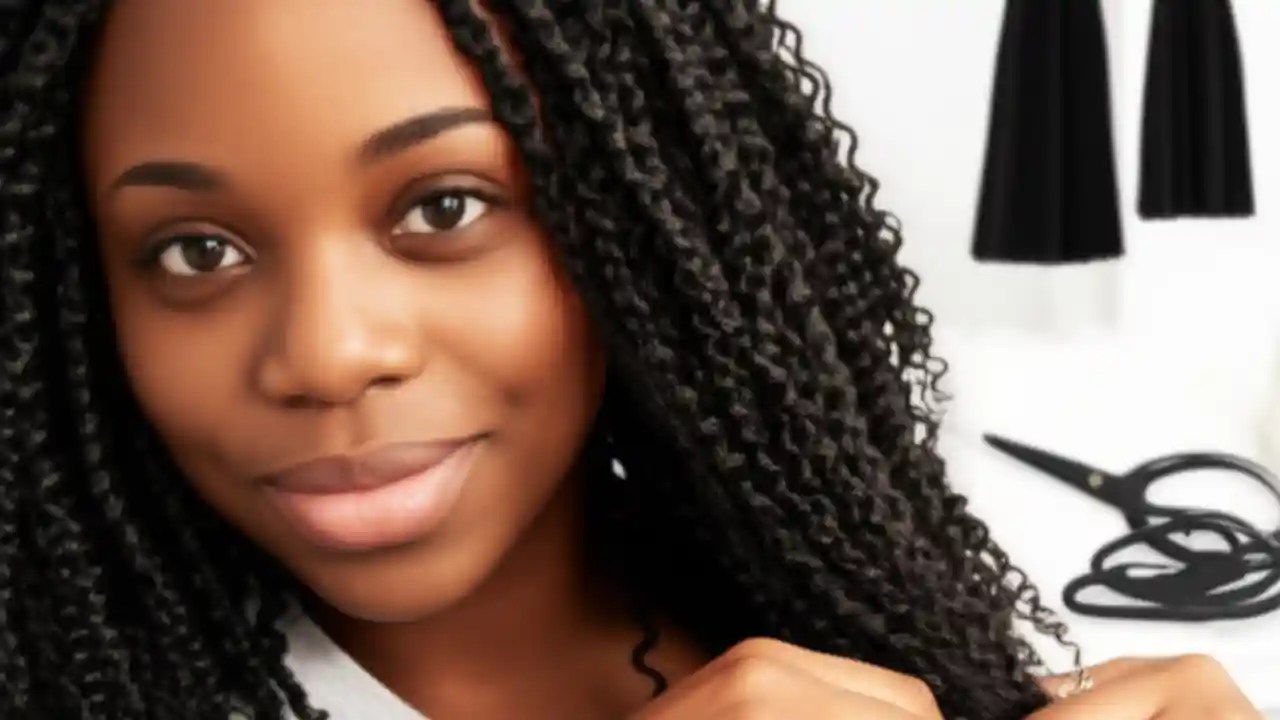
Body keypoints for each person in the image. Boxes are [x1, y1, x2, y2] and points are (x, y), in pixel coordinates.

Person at [0, 1, 1260, 718]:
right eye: (194, 252)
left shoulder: (864, 601)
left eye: (442, 208)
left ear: (650, 238)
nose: (328, 355)